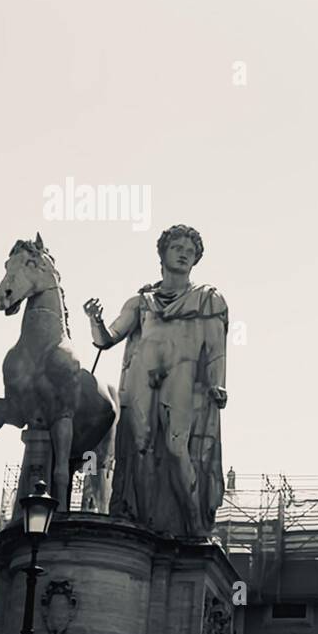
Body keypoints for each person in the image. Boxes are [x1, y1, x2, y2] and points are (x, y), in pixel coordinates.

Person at [84, 224, 228, 537]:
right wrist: (95, 320)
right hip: (141, 380)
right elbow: (107, 339)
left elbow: (217, 348)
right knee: (138, 448)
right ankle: (142, 524)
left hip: (182, 378)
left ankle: (195, 525)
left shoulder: (207, 299)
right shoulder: (141, 302)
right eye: (178, 248)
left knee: (178, 448)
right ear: (162, 253)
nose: (184, 255)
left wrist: (217, 383)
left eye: (190, 252)